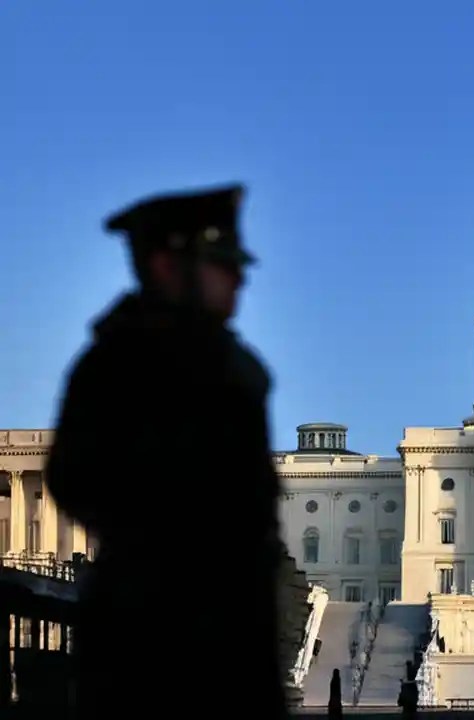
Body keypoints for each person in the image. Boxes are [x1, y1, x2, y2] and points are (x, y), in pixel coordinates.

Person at [44, 184, 286, 719]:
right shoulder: (115, 366)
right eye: (221, 263)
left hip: (236, 634)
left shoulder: (237, 368)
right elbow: (73, 477)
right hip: (148, 634)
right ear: (166, 266)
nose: (240, 277)